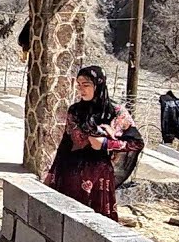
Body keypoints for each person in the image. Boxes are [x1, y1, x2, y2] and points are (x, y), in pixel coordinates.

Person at [44, 65, 144, 220]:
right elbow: (65, 145)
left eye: (86, 85)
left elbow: (136, 143)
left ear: (98, 85)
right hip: (71, 175)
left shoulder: (116, 113)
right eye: (79, 85)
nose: (81, 89)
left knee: (97, 224)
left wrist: (106, 144)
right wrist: (52, 176)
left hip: (99, 179)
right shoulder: (75, 111)